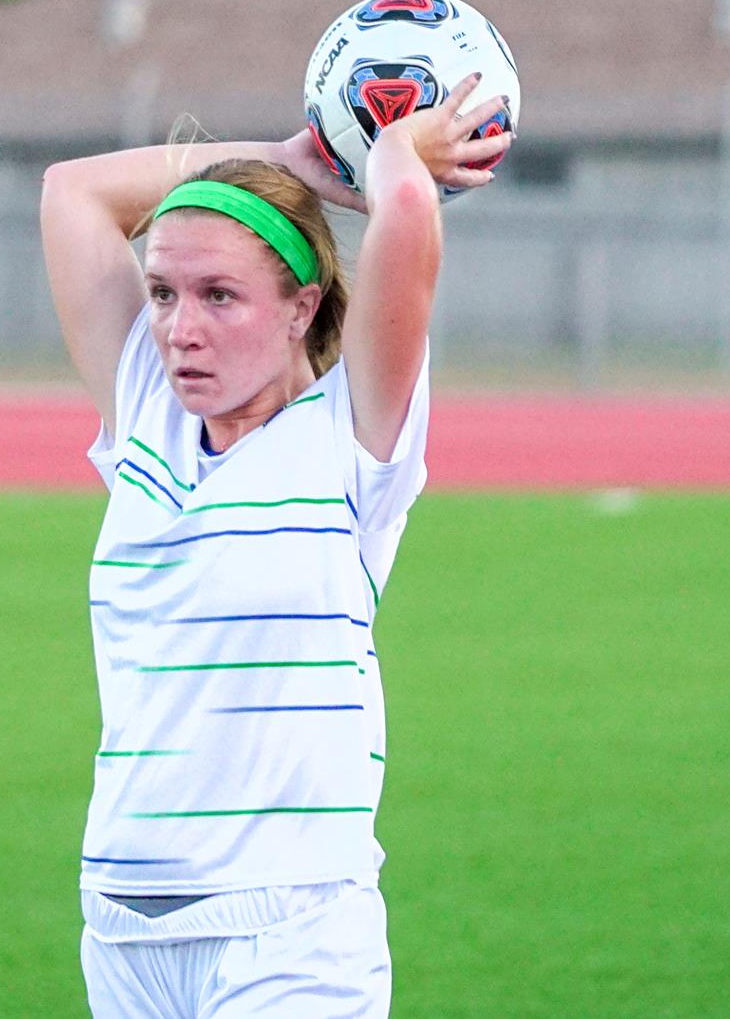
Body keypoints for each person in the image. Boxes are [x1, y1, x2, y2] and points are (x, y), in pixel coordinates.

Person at [41, 73, 511, 1017]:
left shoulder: (353, 438)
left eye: (221, 295)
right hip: (123, 931)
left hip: (289, 932)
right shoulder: (146, 415)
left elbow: (409, 211)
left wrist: (382, 156)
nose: (180, 329)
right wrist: (285, 162)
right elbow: (71, 193)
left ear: (302, 306)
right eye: (165, 293)